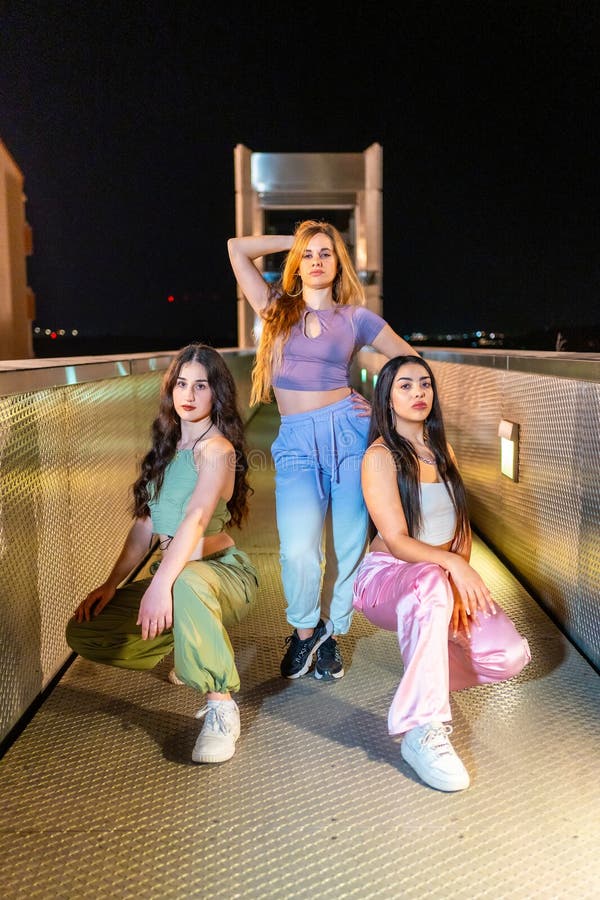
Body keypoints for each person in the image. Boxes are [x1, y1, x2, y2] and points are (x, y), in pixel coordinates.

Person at [228, 221, 418, 681]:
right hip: (295, 439)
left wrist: (381, 406)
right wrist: (294, 241)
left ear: (338, 264)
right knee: (297, 548)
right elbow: (237, 249)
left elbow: (409, 362)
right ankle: (303, 630)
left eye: (325, 253)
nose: (316, 261)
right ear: (297, 262)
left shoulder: (356, 318)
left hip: (349, 433)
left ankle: (330, 635)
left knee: (348, 545)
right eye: (308, 254)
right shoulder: (273, 309)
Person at [66, 344, 258, 764]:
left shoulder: (218, 450)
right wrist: (111, 583)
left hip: (219, 573)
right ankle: (187, 639)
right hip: (175, 570)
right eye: (181, 384)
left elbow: (195, 517)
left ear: (217, 393)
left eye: (201, 385)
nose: (188, 394)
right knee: (86, 631)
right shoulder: (167, 449)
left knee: (185, 581)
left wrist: (160, 582)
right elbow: (144, 529)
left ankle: (222, 705)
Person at [352, 355, 531, 791]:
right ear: (387, 398)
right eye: (406, 386)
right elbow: (396, 539)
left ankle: (422, 675)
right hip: (387, 577)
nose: (418, 393)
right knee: (431, 583)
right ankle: (420, 729)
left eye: (425, 384)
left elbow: (460, 529)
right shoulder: (380, 456)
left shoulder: (442, 449)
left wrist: (457, 577)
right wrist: (450, 569)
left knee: (508, 654)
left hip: (436, 580)